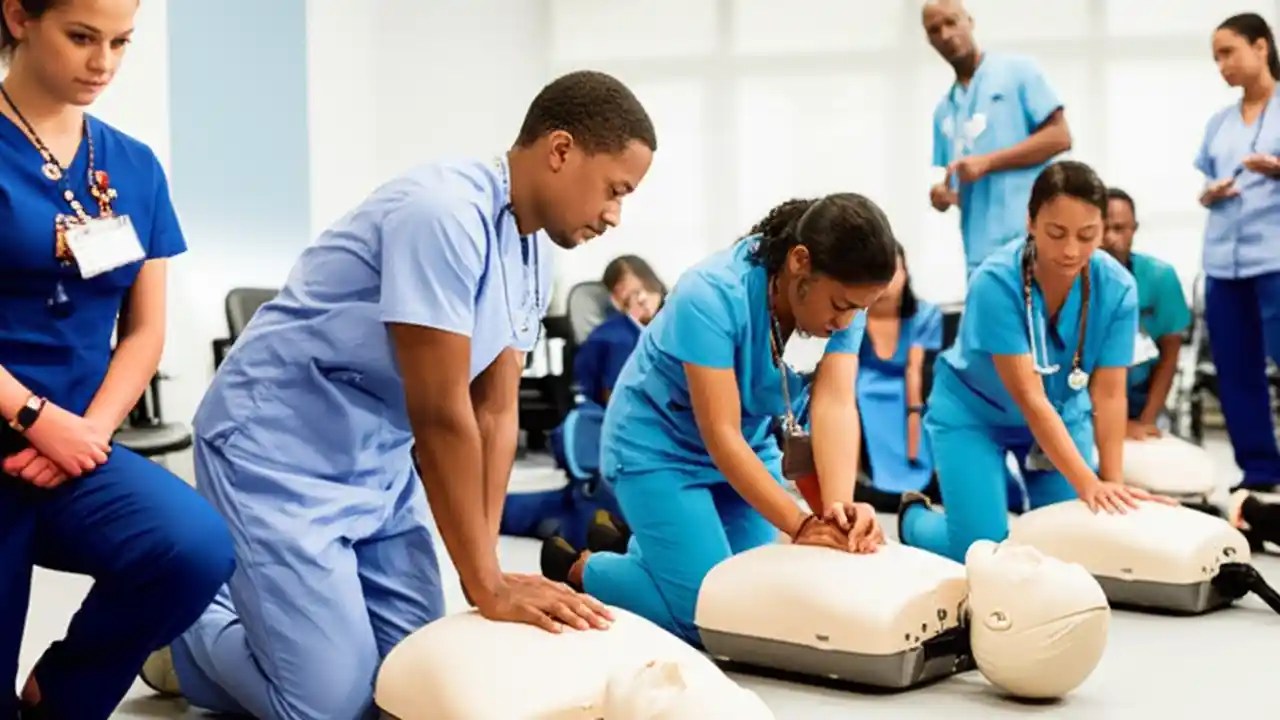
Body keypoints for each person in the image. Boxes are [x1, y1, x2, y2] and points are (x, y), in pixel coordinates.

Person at [143, 71, 656, 720]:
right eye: (615, 190)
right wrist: (484, 583)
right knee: (332, 708)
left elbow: (494, 411)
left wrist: (487, 567)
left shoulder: (534, 249)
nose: (614, 216)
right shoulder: (443, 213)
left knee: (408, 681)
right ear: (560, 151)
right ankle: (186, 633)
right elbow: (441, 414)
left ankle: (235, 652)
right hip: (276, 453)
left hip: (376, 464)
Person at [0, 0, 236, 718]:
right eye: (81, 37)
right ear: (18, 16)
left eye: (120, 42)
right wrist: (37, 419)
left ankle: (61, 695)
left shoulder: (134, 165)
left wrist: (88, 431)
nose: (102, 62)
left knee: (192, 548)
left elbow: (144, 332)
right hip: (25, 429)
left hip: (75, 449)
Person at [540, 194, 899, 646]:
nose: (845, 322)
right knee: (711, 618)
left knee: (754, 598)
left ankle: (644, 554)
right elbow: (720, 433)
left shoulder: (844, 307)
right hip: (656, 450)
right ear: (799, 263)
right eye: (841, 305)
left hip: (748, 445)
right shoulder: (710, 294)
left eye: (858, 310)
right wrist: (801, 524)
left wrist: (840, 510)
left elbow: (835, 403)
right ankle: (583, 568)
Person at [899, 161, 1175, 564]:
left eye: (1087, 235)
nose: (1071, 250)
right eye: (1056, 233)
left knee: (1067, 544)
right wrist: (1087, 482)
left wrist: (1110, 484)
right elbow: (1030, 397)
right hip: (975, 417)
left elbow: (1110, 393)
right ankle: (913, 520)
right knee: (981, 550)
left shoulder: (1118, 288)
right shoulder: (996, 281)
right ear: (1030, 222)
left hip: (1062, 415)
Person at [922, 0, 1073, 276]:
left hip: (1034, 240)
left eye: (951, 22)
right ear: (929, 40)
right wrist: (943, 196)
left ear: (969, 21)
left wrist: (988, 162)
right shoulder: (944, 111)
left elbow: (1060, 137)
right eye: (934, 30)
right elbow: (955, 187)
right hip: (980, 253)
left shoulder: (1017, 72)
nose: (945, 34)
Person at [1195, 12, 1280, 493]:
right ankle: (1261, 473)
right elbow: (1207, 181)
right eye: (1216, 58)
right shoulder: (1219, 124)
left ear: (1261, 46)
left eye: (1228, 52)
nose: (1222, 65)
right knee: (1236, 371)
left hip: (1274, 259)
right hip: (1223, 265)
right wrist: (1209, 194)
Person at [852, 241, 944, 511]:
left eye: (893, 272)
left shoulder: (924, 314)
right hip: (864, 385)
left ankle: (919, 469)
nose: (887, 282)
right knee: (861, 391)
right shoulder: (853, 315)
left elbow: (915, 369)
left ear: (906, 273)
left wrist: (913, 428)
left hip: (910, 385)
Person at [1100, 188, 1192, 439]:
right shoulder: (1072, 281)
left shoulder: (1160, 278)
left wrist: (1146, 420)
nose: (1109, 238)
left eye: (1119, 229)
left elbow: (1170, 355)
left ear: (1134, 229)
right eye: (1102, 228)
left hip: (1142, 397)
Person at [574, 256, 665, 406]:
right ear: (615, 300)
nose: (642, 298)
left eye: (648, 288)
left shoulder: (672, 325)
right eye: (632, 294)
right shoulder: (616, 339)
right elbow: (618, 402)